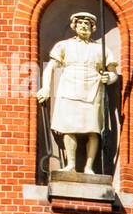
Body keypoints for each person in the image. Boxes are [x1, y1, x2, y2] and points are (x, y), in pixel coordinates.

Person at [36, 12, 119, 175]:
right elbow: (51, 68)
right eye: (80, 23)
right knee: (69, 126)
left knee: (93, 129)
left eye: (87, 24)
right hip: (69, 87)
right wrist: (46, 87)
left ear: (92, 28)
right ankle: (71, 164)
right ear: (74, 26)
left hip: (93, 88)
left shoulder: (100, 49)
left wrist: (107, 77)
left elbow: (113, 73)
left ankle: (89, 167)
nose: (83, 26)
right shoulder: (64, 46)